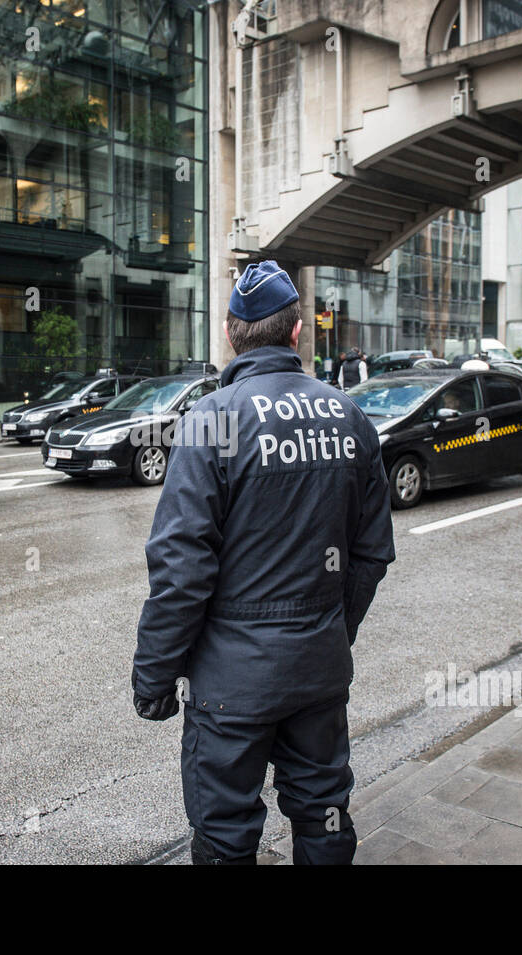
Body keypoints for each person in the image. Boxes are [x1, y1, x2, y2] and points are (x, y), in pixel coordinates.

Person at [132, 260, 396, 865]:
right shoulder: (349, 418)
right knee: (324, 811)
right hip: (317, 671)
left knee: (225, 832)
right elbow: (372, 552)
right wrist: (331, 629)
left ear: (231, 333)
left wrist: (154, 674)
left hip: (230, 685)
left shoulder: (212, 421)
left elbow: (180, 567)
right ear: (297, 332)